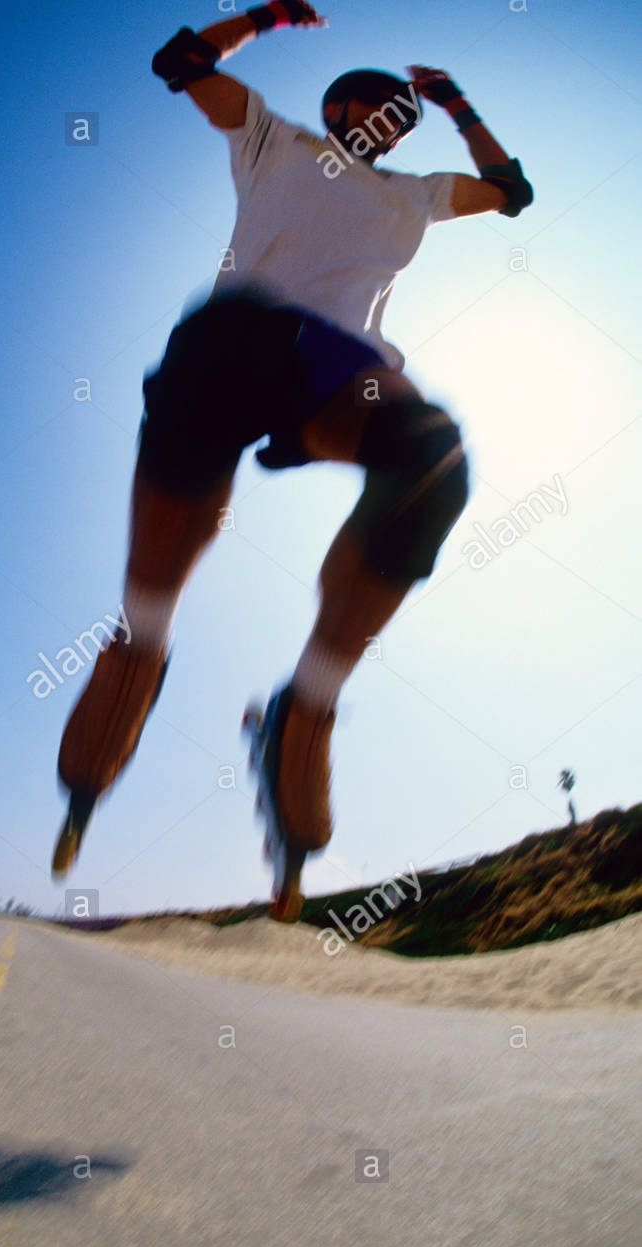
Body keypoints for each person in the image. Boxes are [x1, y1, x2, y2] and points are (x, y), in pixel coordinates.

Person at [54, 3, 533, 873]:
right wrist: (269, 14)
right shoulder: (271, 138)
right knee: (228, 330)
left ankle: (305, 709)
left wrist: (454, 103)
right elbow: (181, 59)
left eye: (399, 117)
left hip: (343, 370)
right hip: (243, 341)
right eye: (371, 105)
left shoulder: (414, 194)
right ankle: (142, 645)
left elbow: (511, 190)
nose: (385, 122)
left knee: (436, 457)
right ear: (341, 110)